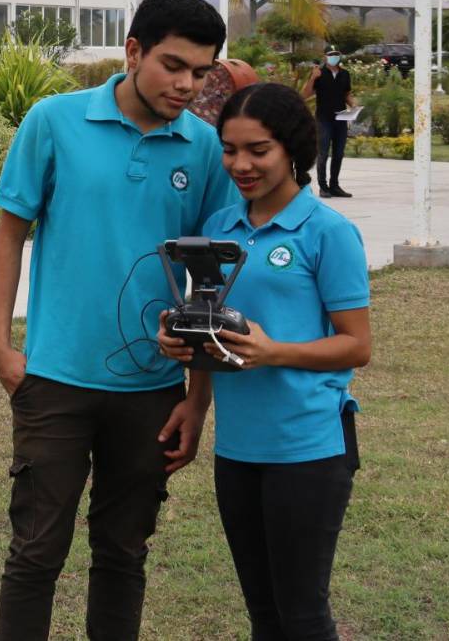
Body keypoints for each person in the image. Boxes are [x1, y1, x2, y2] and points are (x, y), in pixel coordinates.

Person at [0, 0, 236, 640]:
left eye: (201, 71)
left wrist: (196, 397)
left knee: (123, 554)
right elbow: (9, 233)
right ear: (132, 51)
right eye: (172, 65)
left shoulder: (203, 149)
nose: (186, 84)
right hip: (55, 379)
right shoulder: (53, 121)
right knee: (35, 551)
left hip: (151, 390)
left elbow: (207, 279)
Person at [158, 82, 371, 641]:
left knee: (302, 615)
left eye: (258, 150)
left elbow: (356, 345)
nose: (240, 164)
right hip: (238, 449)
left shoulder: (328, 233)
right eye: (230, 149)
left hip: (308, 449)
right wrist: (188, 375)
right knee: (264, 614)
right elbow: (209, 326)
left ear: (293, 148)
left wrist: (274, 350)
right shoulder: (219, 229)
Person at [301, 47, 355, 198]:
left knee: (338, 154)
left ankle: (335, 185)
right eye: (331, 55)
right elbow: (305, 95)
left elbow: (347, 94)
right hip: (324, 119)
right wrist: (312, 78)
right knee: (323, 154)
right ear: (325, 57)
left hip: (341, 119)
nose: (334, 57)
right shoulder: (319, 74)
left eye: (337, 54)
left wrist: (354, 105)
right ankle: (323, 187)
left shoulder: (345, 74)